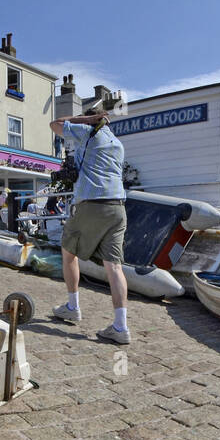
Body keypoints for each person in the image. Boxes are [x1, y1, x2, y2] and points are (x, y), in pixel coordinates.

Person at [49, 94, 136, 345]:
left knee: (68, 253)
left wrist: (86, 118)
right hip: (117, 207)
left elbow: (55, 124)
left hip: (91, 203)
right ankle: (120, 327)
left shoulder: (87, 133)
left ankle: (72, 307)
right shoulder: (117, 143)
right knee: (115, 267)